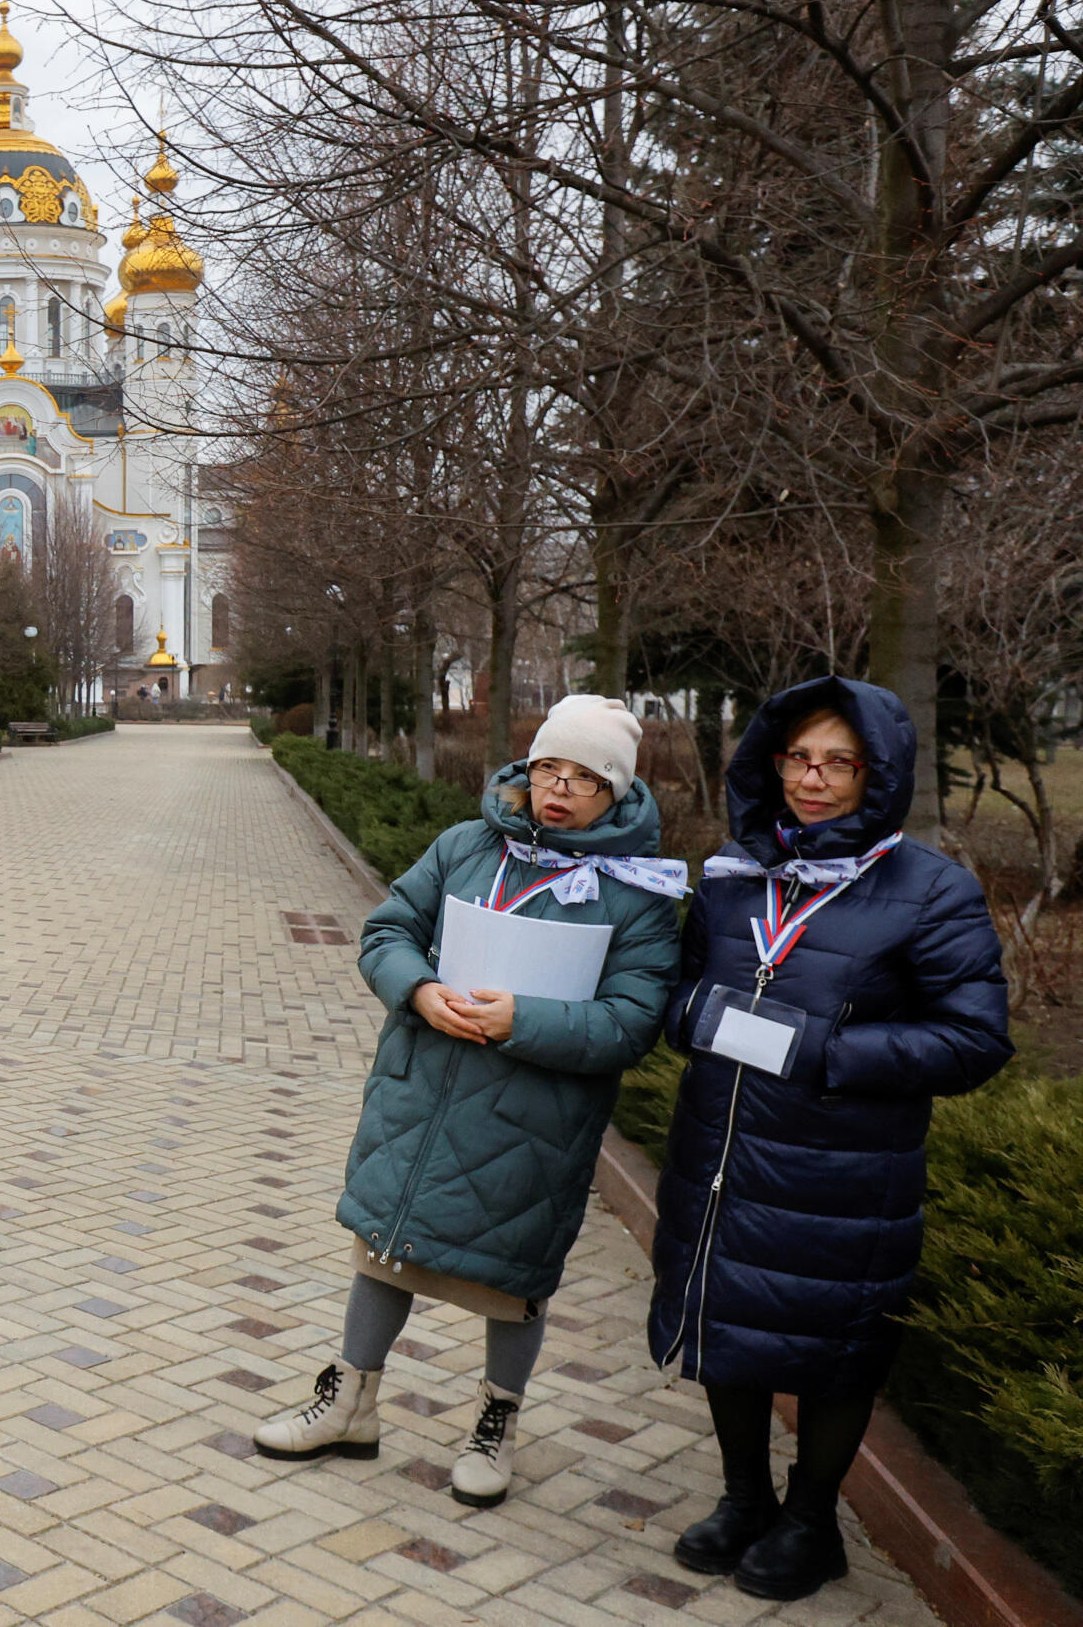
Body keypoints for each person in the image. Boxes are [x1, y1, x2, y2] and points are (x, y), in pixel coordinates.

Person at [257, 695, 685, 1507]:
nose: (559, 789)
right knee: (385, 1243)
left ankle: (497, 1421)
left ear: (616, 793)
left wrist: (524, 1019)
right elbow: (387, 931)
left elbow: (632, 1023)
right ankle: (350, 1401)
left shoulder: (636, 893)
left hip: (534, 1120)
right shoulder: (466, 845)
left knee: (514, 1272)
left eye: (585, 779)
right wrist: (417, 992)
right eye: (548, 768)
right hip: (421, 1093)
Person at [650, 676, 1009, 1601]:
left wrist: (826, 1049)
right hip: (723, 1154)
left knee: (831, 1350)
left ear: (875, 773)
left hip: (842, 1169)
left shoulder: (929, 889)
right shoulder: (738, 875)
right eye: (798, 759)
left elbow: (975, 1040)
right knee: (728, 1325)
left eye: (838, 763)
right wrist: (688, 1013)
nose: (812, 780)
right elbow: (686, 989)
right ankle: (745, 1501)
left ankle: (812, 1524)